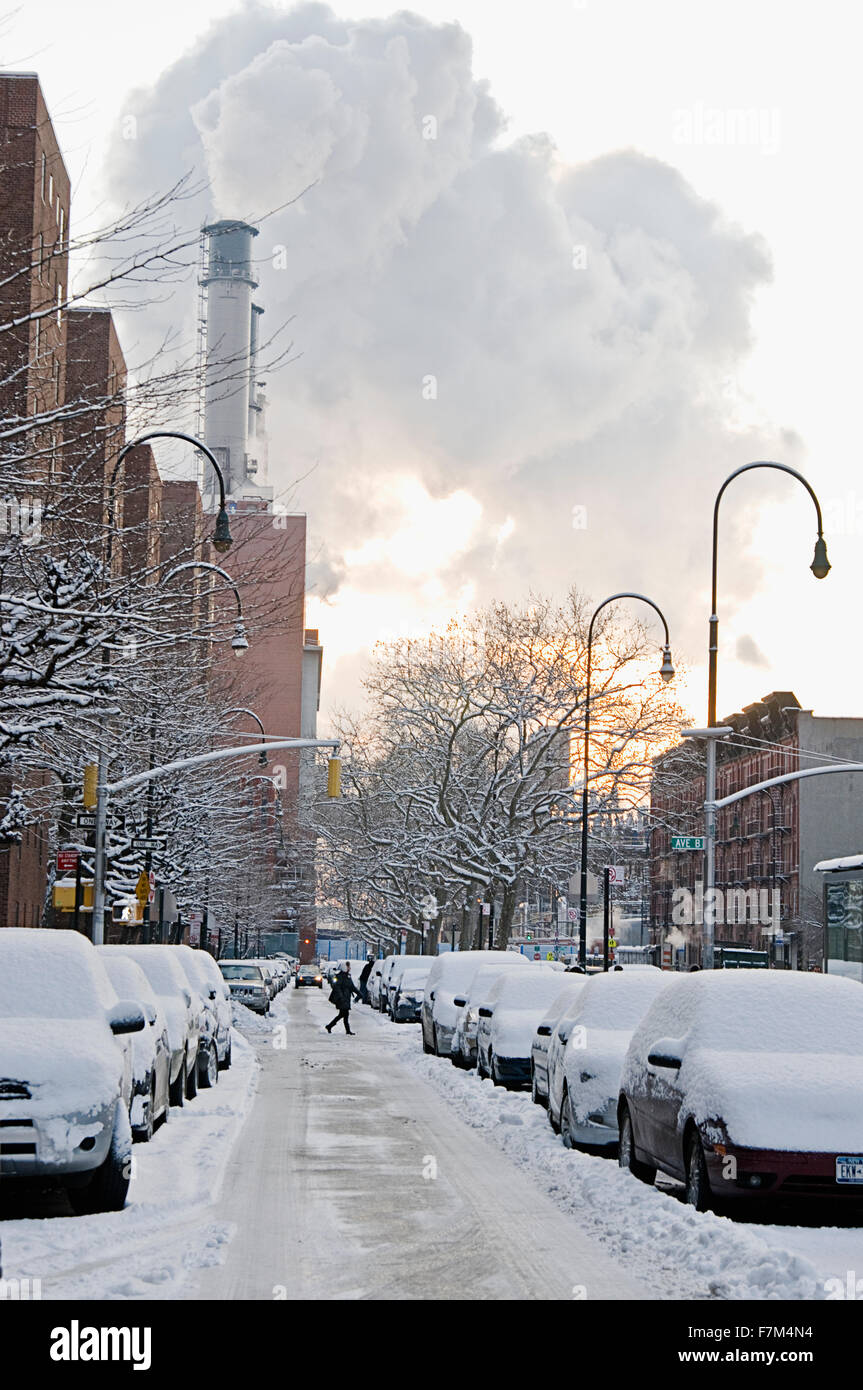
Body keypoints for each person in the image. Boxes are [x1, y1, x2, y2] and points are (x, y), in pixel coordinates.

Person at [325, 963, 361, 1034]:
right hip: (342, 999)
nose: (349, 968)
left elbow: (352, 987)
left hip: (346, 998)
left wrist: (359, 993)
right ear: (345, 968)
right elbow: (337, 987)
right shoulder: (340, 976)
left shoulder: (348, 976)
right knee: (345, 1014)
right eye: (348, 967)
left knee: (342, 1014)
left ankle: (330, 1026)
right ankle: (347, 1030)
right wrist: (341, 997)